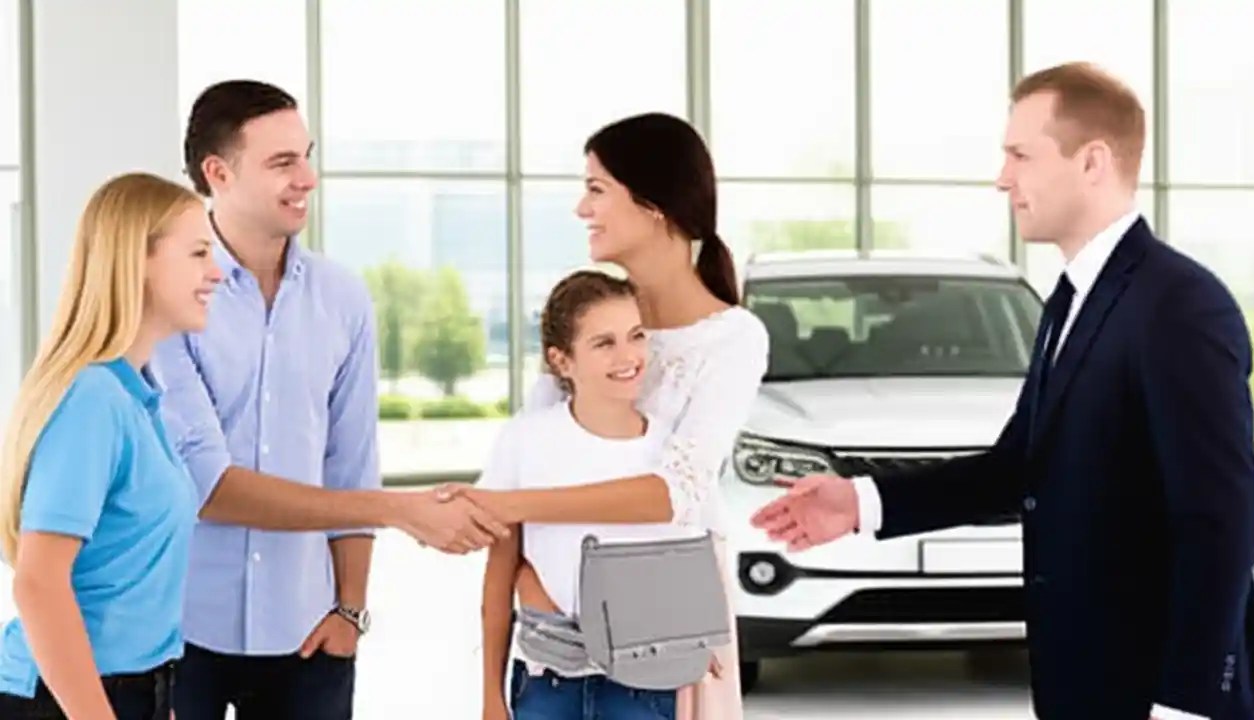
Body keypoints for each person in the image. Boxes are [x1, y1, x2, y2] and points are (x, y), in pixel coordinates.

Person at [751, 62, 1254, 720]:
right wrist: (859, 501)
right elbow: (1018, 468)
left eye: (1020, 155)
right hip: (1084, 682)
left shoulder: (1179, 305)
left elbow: (1218, 522)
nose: (1003, 179)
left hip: (1157, 695)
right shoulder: (1070, 300)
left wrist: (1188, 702)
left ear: (1092, 162)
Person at [149, 79, 507, 720]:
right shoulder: (168, 292)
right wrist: (401, 510)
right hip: (180, 631)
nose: (307, 178)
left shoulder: (342, 298)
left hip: (310, 630)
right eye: (282, 162)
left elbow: (351, 458)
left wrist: (350, 609)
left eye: (307, 155)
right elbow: (209, 486)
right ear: (218, 173)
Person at [447, 112, 767, 720]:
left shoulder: (732, 339)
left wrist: (512, 505)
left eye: (596, 188)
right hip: (554, 642)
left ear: (653, 205)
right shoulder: (587, 315)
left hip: (667, 622)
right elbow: (533, 458)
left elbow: (677, 492)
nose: (580, 208)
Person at [0, 173, 220, 719]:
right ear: (137, 259)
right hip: (64, 698)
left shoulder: (137, 397)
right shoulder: (93, 399)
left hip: (131, 691)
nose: (215, 273)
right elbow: (38, 582)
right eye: (198, 253)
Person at [481, 269, 722, 719]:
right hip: (545, 681)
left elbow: (692, 563)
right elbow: (499, 572)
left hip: (644, 685)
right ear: (562, 361)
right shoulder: (525, 440)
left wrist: (689, 640)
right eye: (604, 343)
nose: (628, 356)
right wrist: (490, 695)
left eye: (635, 336)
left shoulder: (672, 453)